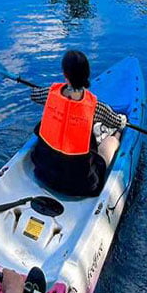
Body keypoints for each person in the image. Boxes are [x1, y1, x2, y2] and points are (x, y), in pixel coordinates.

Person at [30, 50, 128, 197]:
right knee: (112, 139)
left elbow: (34, 95)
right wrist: (123, 120)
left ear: (65, 75)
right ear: (87, 75)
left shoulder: (49, 94)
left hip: (44, 173)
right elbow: (117, 121)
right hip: (81, 185)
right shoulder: (96, 107)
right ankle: (116, 136)